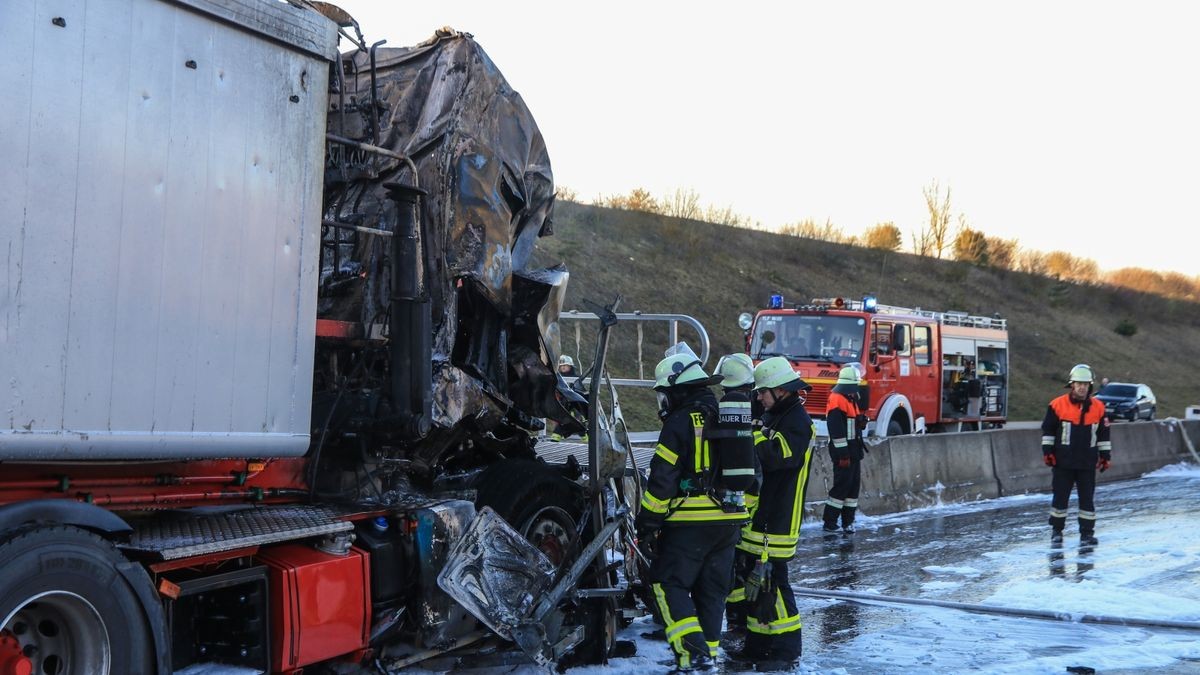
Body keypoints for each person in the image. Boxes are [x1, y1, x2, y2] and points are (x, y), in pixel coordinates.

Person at [635, 350, 747, 673]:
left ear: (679, 389)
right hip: (728, 521)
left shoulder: (678, 423)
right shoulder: (725, 414)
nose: (665, 402)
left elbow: (662, 481)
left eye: (666, 394)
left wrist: (647, 524)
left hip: (689, 523)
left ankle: (693, 657)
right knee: (712, 593)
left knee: (667, 583)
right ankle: (707, 660)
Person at [725, 356, 814, 671]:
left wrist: (753, 434)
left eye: (762, 391)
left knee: (775, 586)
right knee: (757, 589)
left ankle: (786, 652)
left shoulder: (798, 422)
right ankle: (757, 647)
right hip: (763, 518)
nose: (758, 397)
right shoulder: (777, 414)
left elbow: (779, 457)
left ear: (780, 390)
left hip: (778, 521)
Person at [1041, 364, 1112, 546]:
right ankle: (1057, 531)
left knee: (1087, 500)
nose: (1082, 387)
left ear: (1090, 386)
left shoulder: (1098, 407)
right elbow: (1048, 430)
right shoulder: (1057, 405)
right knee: (1060, 499)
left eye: (1085, 384)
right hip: (1063, 462)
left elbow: (1104, 435)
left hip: (1087, 462)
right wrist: (1048, 452)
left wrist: (1105, 456)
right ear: (1072, 385)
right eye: (1078, 384)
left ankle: (1087, 534)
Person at [822, 365, 867, 535]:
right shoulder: (836, 399)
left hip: (853, 450)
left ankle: (848, 522)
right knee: (841, 486)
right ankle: (830, 521)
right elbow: (836, 431)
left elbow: (850, 425)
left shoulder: (850, 398)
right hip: (843, 452)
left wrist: (860, 421)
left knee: (853, 488)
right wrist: (843, 454)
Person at [548, 355, 580, 441]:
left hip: (574, 401)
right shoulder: (556, 377)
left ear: (570, 366)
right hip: (560, 401)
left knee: (577, 417)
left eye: (565, 366)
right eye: (561, 366)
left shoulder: (576, 378)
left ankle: (584, 435)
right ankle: (556, 436)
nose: (563, 368)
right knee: (562, 417)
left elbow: (579, 390)